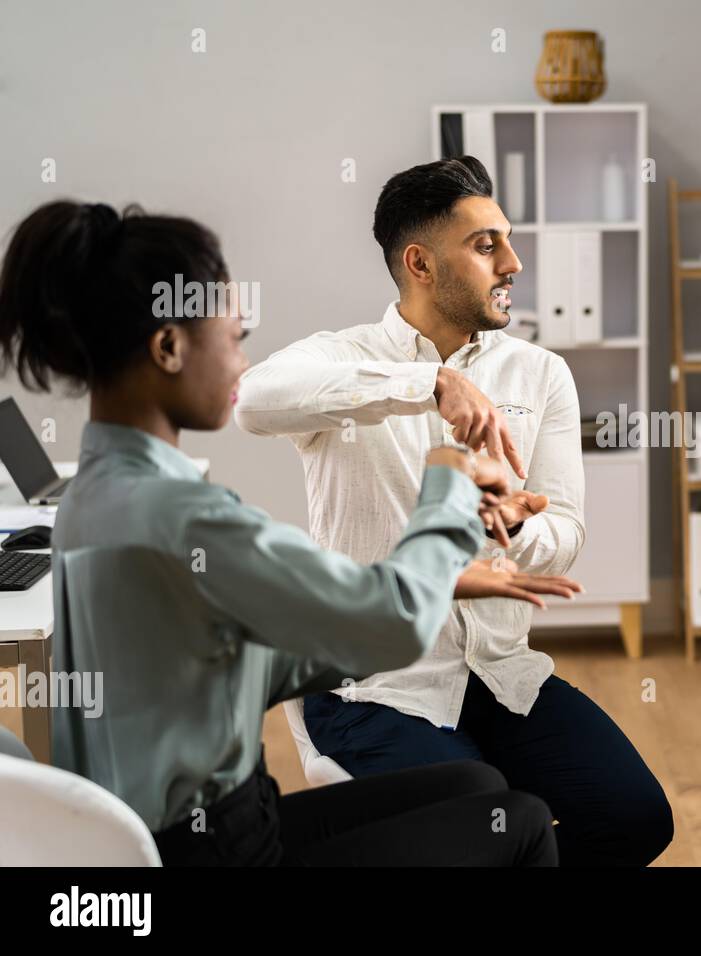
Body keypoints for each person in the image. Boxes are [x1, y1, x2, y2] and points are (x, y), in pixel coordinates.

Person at [0, 199, 573, 866]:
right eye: (236, 341)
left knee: (475, 786)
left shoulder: (95, 494)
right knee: (524, 821)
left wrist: (435, 583)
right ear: (169, 347)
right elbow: (391, 627)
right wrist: (448, 475)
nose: (244, 366)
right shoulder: (181, 513)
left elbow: (225, 665)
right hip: (223, 851)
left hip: (185, 834)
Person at [235, 157, 673, 866]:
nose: (514, 262)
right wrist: (427, 384)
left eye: (506, 240)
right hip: (376, 687)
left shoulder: (539, 374)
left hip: (499, 672)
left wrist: (516, 524)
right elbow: (254, 400)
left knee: (635, 816)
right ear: (420, 263)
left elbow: (564, 535)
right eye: (485, 245)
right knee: (493, 823)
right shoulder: (343, 360)